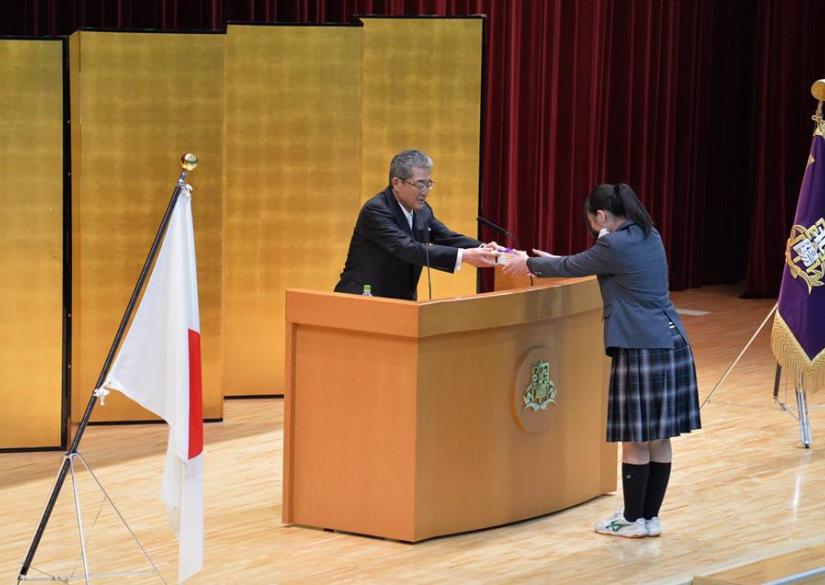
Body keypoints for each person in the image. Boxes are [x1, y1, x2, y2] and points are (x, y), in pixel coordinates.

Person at [503, 183, 701, 538]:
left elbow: (575, 264)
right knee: (659, 439)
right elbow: (584, 264)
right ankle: (649, 519)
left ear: (601, 215)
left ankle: (630, 519)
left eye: (592, 222)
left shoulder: (612, 243)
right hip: (672, 341)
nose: (594, 229)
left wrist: (528, 263)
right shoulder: (647, 234)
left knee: (636, 440)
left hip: (640, 346)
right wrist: (555, 263)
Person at [334, 149, 498, 300]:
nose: (425, 191)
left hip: (402, 300)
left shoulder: (422, 210)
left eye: (428, 184)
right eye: (419, 184)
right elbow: (408, 248)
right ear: (397, 183)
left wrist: (484, 248)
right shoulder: (376, 210)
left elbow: (445, 236)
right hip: (365, 299)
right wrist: (465, 256)